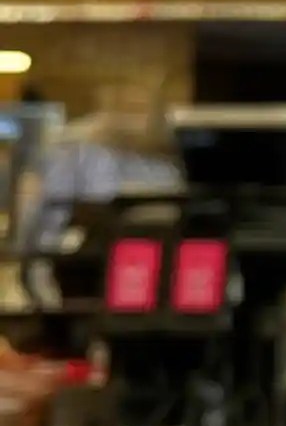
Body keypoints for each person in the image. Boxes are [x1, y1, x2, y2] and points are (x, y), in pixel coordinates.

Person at [14, 78, 184, 309]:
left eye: (139, 108)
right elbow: (45, 230)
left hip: (154, 278)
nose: (131, 118)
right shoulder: (75, 153)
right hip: (84, 276)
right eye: (125, 106)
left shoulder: (166, 164)